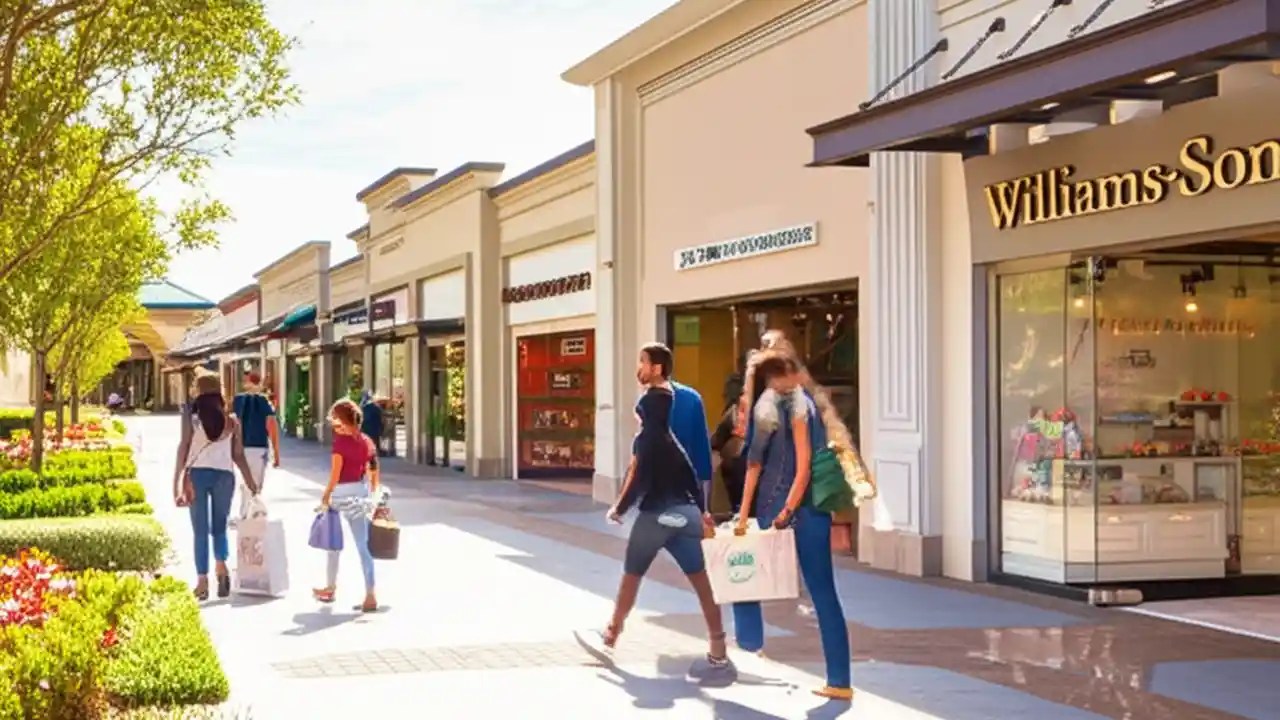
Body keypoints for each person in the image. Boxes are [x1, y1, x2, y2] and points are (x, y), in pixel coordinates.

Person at [598, 344, 729, 669]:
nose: (638, 369)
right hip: (685, 513)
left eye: (642, 363)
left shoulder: (648, 437)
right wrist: (702, 510)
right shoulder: (683, 415)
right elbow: (695, 464)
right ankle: (718, 647)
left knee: (632, 575)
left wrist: (619, 508)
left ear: (656, 369)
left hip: (656, 515)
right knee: (701, 581)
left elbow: (637, 474)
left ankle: (613, 632)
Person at [733, 351, 853, 701]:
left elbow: (758, 466)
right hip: (813, 512)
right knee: (824, 593)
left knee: (741, 575)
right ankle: (840, 680)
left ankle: (750, 643)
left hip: (783, 509)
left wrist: (748, 516)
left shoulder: (773, 407)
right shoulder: (807, 405)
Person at [173, 371, 261, 601]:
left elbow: (183, 446)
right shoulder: (231, 420)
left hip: (197, 476)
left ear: (199, 390)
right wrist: (251, 482)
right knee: (220, 526)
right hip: (225, 476)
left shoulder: (191, 416)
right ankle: (221, 567)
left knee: (200, 530)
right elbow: (238, 455)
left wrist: (176, 481)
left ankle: (202, 582)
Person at [314, 398, 381, 612]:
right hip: (360, 494)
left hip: (340, 494)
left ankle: (330, 587)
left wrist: (326, 495)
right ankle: (370, 594)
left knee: (333, 544)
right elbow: (373, 471)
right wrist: (373, 495)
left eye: (334, 417)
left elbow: (335, 474)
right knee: (363, 546)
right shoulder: (366, 441)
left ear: (341, 419)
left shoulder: (339, 443)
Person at [231, 372, 281, 521]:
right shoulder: (263, 402)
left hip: (241, 447)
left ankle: (246, 513)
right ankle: (251, 515)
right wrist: (276, 453)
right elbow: (271, 426)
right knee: (255, 484)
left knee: (245, 482)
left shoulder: (238, 400)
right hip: (258, 447)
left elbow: (234, 423)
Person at [360, 391, 385, 457]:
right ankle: (376, 451)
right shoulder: (376, 407)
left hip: (366, 427)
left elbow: (361, 418)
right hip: (374, 427)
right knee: (375, 440)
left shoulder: (363, 407)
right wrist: (381, 427)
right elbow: (380, 418)